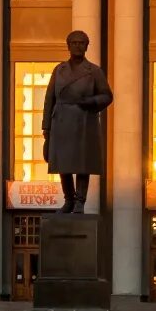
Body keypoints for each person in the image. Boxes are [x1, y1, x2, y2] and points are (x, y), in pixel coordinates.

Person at [42, 30, 114, 213]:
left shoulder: (94, 71)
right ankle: (69, 200)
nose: (78, 45)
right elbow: (49, 98)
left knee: (83, 163)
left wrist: (91, 102)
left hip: (84, 120)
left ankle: (80, 201)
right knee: (63, 163)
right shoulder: (59, 70)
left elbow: (107, 95)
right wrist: (46, 128)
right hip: (62, 121)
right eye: (74, 42)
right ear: (68, 46)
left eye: (82, 42)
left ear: (87, 46)